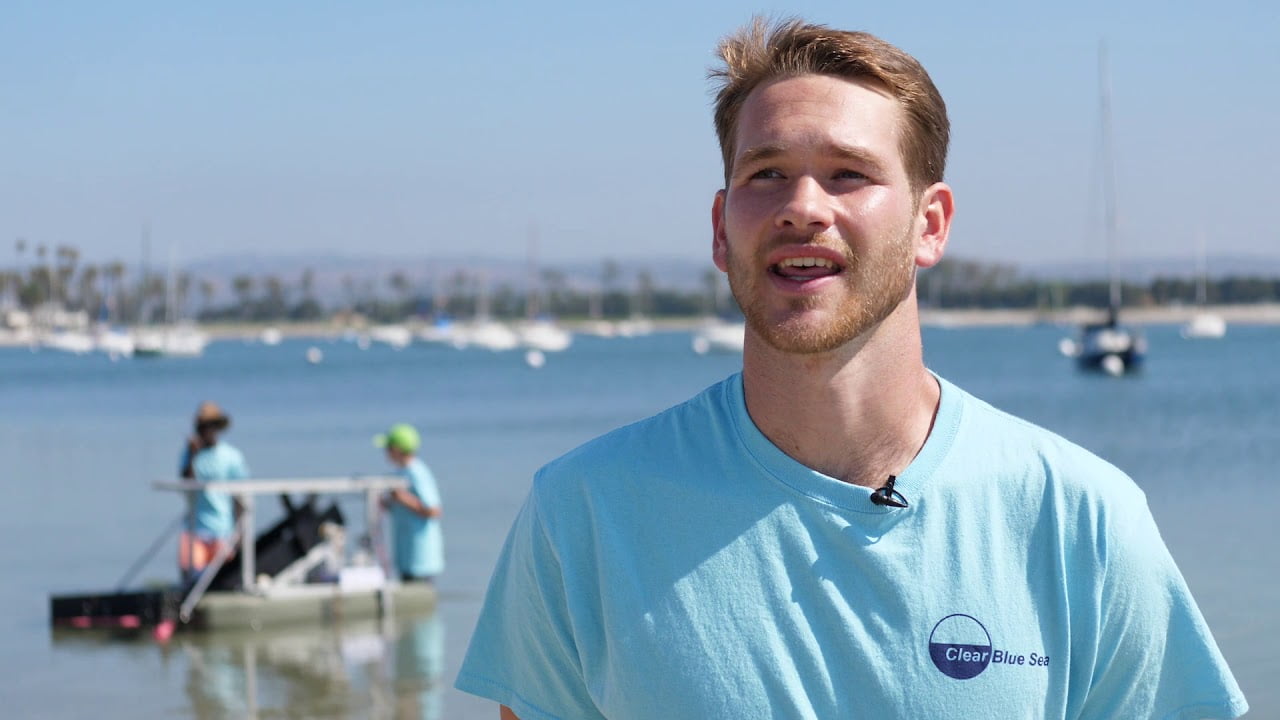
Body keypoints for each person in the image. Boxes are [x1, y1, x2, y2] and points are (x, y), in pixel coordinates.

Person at [456, 18, 1248, 720]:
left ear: (928, 224)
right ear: (721, 229)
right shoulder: (583, 516)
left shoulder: (1081, 519)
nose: (802, 205)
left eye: (848, 174)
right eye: (764, 173)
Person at [178, 401, 250, 580]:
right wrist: (192, 455)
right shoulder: (190, 454)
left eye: (209, 426)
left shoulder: (231, 456)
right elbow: (186, 484)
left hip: (222, 529)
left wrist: (240, 534)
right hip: (195, 529)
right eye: (201, 427)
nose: (204, 431)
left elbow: (240, 496)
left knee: (226, 578)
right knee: (190, 578)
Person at [375, 423, 444, 582]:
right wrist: (387, 502)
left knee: (418, 592)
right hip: (406, 554)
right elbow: (400, 506)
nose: (385, 452)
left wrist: (402, 498)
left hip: (420, 557)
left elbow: (434, 510)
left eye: (388, 448)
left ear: (398, 449)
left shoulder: (417, 472)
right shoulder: (400, 472)